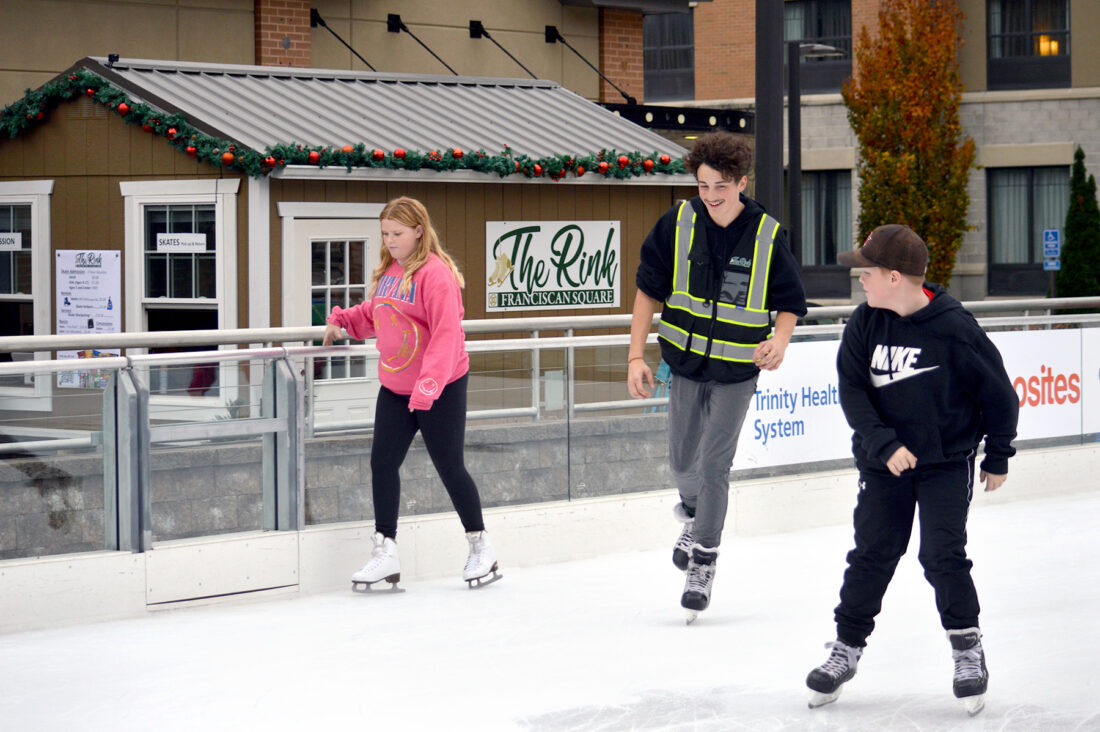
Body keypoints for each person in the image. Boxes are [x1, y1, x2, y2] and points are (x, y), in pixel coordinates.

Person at [805, 225, 1019, 716]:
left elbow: (1000, 394)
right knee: (873, 553)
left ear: (895, 277)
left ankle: (967, 648)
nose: (860, 279)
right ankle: (845, 649)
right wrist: (884, 445)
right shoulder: (865, 322)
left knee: (942, 554)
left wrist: (998, 454)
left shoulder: (954, 328)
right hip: (884, 465)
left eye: (868, 271)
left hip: (945, 462)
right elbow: (853, 391)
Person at [627, 132, 807, 622]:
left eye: (721, 186)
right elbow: (648, 290)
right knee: (682, 464)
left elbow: (790, 301)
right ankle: (691, 515)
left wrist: (781, 340)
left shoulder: (767, 233)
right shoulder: (678, 222)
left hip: (736, 372)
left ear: (741, 183)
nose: (710, 196)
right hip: (684, 366)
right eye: (703, 185)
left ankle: (703, 561)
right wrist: (635, 356)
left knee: (714, 466)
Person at [323, 196, 499, 590]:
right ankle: (385, 551)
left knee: (449, 466)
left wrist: (430, 385)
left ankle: (480, 545)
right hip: (396, 387)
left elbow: (447, 334)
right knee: (382, 464)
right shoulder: (391, 271)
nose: (389, 241)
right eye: (385, 234)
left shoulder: (436, 275)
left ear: (419, 230)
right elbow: (377, 315)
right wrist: (342, 321)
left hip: (442, 388)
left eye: (397, 234)